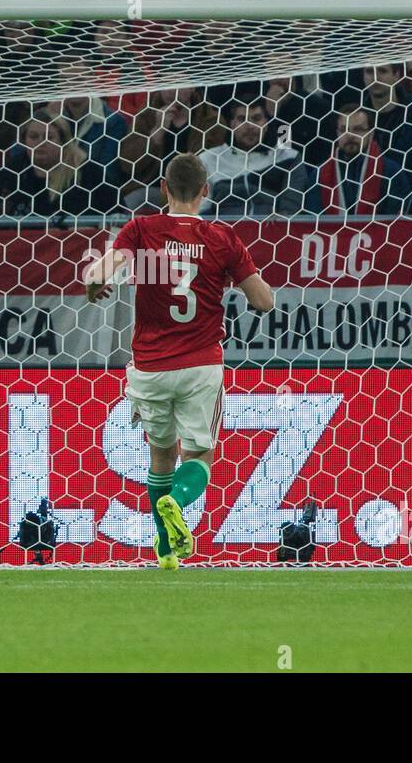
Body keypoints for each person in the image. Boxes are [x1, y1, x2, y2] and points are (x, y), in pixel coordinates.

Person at [82, 153, 274, 569]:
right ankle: (177, 501)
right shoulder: (222, 238)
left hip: (150, 368)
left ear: (163, 189)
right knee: (199, 458)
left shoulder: (140, 229)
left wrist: (95, 286)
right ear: (206, 191)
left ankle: (166, 552)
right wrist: (229, 279)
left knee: (161, 457)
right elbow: (263, 301)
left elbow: (97, 275)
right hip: (200, 365)